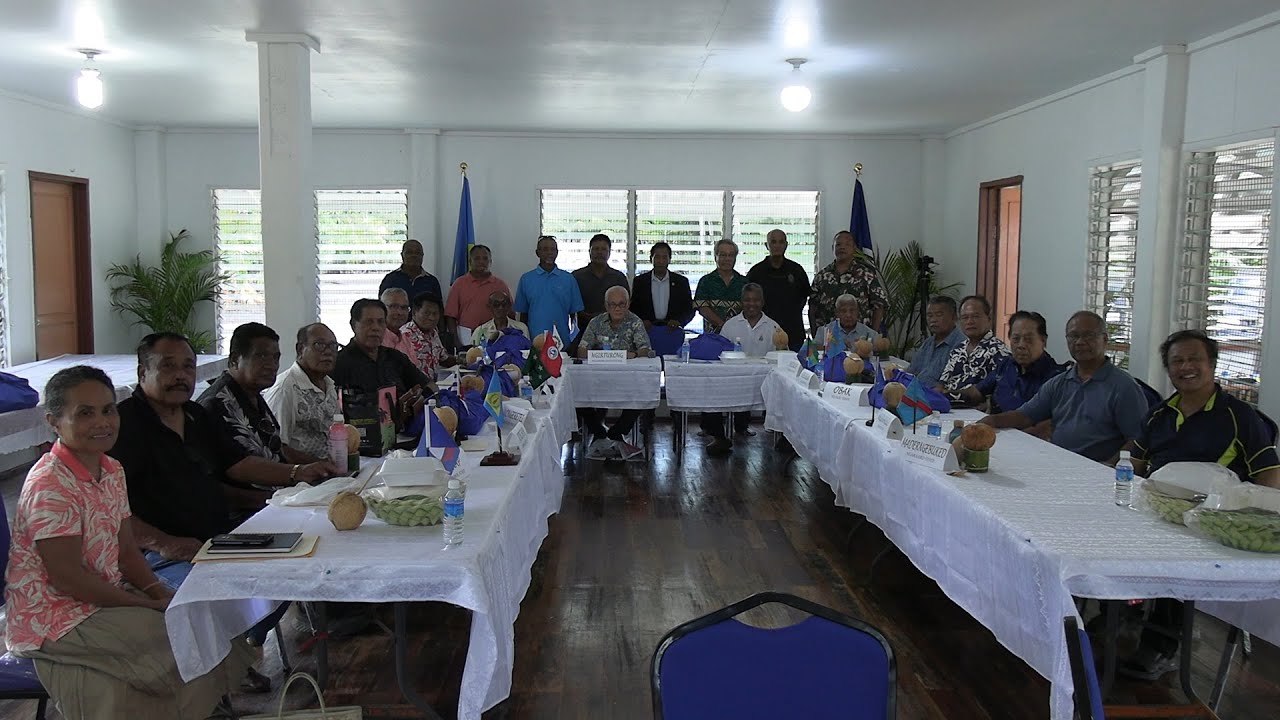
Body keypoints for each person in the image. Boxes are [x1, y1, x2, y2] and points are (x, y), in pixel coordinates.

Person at [6, 365, 252, 719]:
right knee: (175, 636)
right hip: (54, 618)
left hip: (102, 597)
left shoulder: (111, 470)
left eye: (108, 409)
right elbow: (67, 579)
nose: (102, 422)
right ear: (53, 422)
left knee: (199, 617)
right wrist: (140, 606)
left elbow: (126, 552)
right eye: (85, 413)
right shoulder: (49, 484)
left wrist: (158, 592)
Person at [114, 333, 286, 693]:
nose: (180, 375)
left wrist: (281, 491)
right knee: (208, 594)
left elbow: (231, 467)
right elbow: (112, 510)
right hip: (154, 554)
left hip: (217, 537)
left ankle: (232, 655)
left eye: (187, 367)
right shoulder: (123, 426)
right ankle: (212, 676)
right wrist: (162, 543)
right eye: (168, 367)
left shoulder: (194, 415)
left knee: (291, 561)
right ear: (142, 372)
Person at [1120, 330, 1280, 681]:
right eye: (1177, 361)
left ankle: (1161, 646)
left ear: (1212, 365)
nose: (1186, 367)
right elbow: (1136, 465)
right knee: (1111, 532)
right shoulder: (1158, 415)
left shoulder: (1240, 417)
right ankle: (1120, 609)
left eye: (1195, 359)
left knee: (1174, 558)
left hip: (1210, 520)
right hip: (1157, 510)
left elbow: (1270, 478)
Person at [980, 311, 1149, 463]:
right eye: (1073, 336)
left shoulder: (1123, 387)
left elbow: (1138, 440)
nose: (1080, 342)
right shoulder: (1060, 382)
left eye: (1088, 336)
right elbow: (1025, 416)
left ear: (1104, 340)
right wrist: (991, 421)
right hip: (1057, 463)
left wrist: (1110, 467)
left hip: (1098, 473)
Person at [198, 323, 343, 492]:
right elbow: (236, 467)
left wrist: (321, 467)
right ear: (234, 360)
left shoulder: (253, 395)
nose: (271, 365)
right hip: (249, 509)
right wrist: (297, 473)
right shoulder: (216, 403)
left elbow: (278, 449)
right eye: (261, 356)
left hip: (282, 493)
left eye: (275, 358)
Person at [955, 311, 1068, 433]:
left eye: (1028, 339)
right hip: (994, 431)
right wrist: (945, 395)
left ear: (1043, 341)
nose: (1021, 345)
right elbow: (976, 391)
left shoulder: (1055, 377)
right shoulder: (1006, 365)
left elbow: (1047, 426)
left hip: (1025, 440)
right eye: (1016, 339)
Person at [333, 298, 434, 430]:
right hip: (362, 440)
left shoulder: (395, 357)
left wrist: (425, 400)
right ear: (353, 325)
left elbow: (429, 386)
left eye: (381, 322)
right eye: (369, 322)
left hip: (406, 435)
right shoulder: (340, 363)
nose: (375, 328)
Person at [704, 284, 779, 456]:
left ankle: (784, 438)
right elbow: (720, 355)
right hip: (732, 381)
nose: (751, 304)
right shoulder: (730, 326)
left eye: (756, 300)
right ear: (741, 302)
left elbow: (778, 358)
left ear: (763, 302)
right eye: (747, 300)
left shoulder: (774, 327)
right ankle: (719, 437)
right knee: (708, 393)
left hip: (763, 382)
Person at [576, 286, 650, 461]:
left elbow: (645, 350)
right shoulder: (596, 322)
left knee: (642, 393)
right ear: (606, 306)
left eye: (622, 304)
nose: (617, 309)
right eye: (613, 305)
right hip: (598, 378)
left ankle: (617, 432)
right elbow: (581, 351)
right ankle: (599, 432)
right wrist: (610, 356)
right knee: (577, 392)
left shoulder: (635, 322)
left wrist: (631, 355)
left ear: (628, 304)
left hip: (628, 380)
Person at [265, 323, 342, 460]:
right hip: (301, 476)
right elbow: (277, 448)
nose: (328, 351)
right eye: (319, 345)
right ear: (300, 349)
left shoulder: (329, 385)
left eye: (333, 346)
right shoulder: (284, 389)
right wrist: (316, 466)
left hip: (333, 471)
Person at [809, 230, 887, 333]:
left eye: (847, 244)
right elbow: (812, 307)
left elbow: (879, 305)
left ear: (854, 248)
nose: (842, 247)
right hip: (829, 340)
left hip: (860, 340)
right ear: (833, 248)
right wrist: (815, 335)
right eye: (838, 244)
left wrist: (873, 334)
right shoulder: (822, 276)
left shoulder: (866, 275)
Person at [746, 229, 810, 350]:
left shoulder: (796, 270)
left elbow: (805, 297)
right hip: (764, 331)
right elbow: (748, 301)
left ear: (786, 245)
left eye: (781, 242)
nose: (777, 246)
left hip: (793, 331)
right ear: (766, 245)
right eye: (773, 242)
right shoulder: (756, 272)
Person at [514, 235, 585, 341]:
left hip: (562, 340)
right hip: (535, 341)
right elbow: (523, 314)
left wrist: (573, 339)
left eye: (553, 249)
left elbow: (575, 315)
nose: (549, 253)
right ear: (537, 253)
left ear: (557, 252)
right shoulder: (526, 279)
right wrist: (525, 340)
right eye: (545, 249)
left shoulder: (568, 279)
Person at [937, 295, 1011, 395]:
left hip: (975, 408)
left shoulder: (999, 351)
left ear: (989, 319)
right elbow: (942, 384)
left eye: (975, 316)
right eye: (965, 317)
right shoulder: (958, 350)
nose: (970, 322)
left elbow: (999, 392)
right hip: (947, 405)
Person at [444, 244, 511, 344]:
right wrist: (456, 342)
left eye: (485, 258)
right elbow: (450, 316)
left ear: (490, 261)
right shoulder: (459, 284)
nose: (481, 262)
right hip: (466, 337)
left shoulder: (500, 285)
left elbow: (510, 313)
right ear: (470, 261)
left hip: (494, 336)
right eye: (477, 258)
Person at [908, 296, 966, 389]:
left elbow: (951, 387)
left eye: (939, 315)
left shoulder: (962, 345)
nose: (933, 320)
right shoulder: (928, 343)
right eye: (930, 315)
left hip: (937, 399)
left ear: (954, 317)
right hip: (914, 394)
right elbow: (912, 372)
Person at [694, 238, 748, 334]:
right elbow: (702, 309)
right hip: (712, 337)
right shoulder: (706, 281)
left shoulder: (744, 282)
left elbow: (749, 308)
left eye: (731, 255)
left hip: (740, 336)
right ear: (715, 257)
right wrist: (724, 326)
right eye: (723, 255)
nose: (727, 259)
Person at [397, 292, 456, 376]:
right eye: (427, 313)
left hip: (432, 386)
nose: (432, 318)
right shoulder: (405, 335)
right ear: (414, 313)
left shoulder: (433, 332)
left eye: (435, 314)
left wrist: (466, 359)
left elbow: (444, 359)